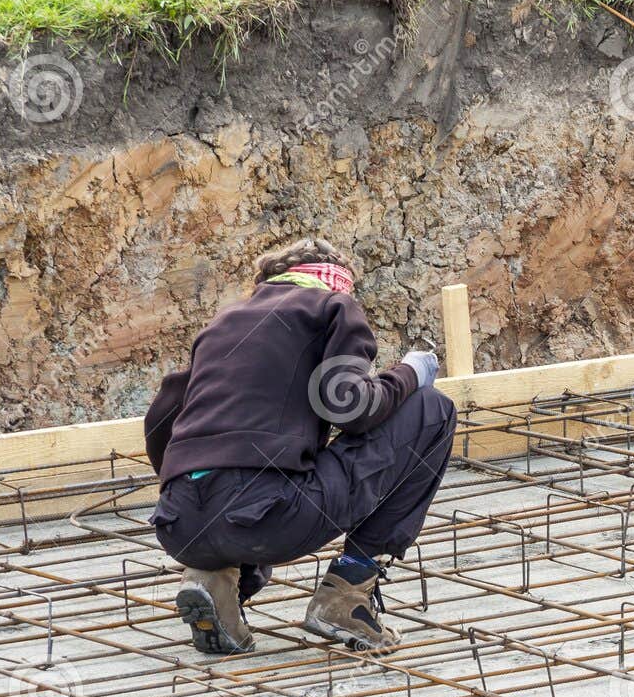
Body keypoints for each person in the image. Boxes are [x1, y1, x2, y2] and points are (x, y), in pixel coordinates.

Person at [143, 238, 456, 656]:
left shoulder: (222, 324)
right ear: (336, 283)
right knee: (431, 409)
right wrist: (408, 374)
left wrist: (198, 491)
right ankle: (347, 593)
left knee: (242, 488)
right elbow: (353, 407)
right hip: (270, 521)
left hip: (180, 528)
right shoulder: (331, 307)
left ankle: (215, 577)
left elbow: (160, 422)